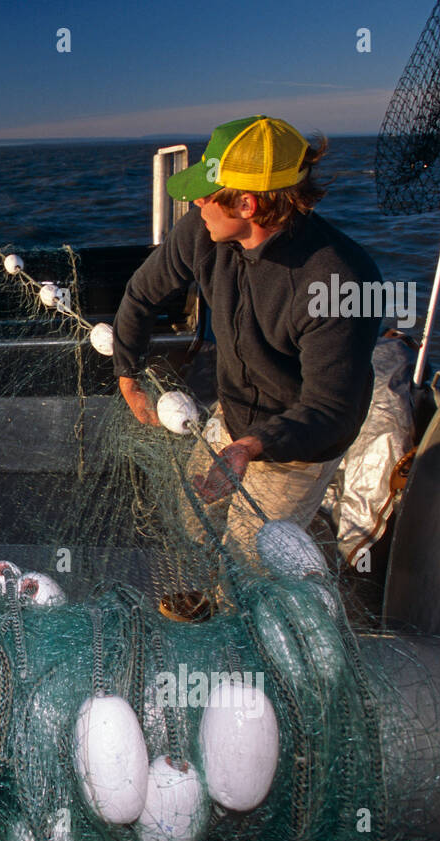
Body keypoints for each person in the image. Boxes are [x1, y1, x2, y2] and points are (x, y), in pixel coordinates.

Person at [113, 115, 383, 563]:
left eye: (207, 194)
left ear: (246, 206)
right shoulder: (202, 231)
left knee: (248, 562)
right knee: (192, 523)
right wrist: (128, 377)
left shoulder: (341, 281)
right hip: (233, 417)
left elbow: (329, 410)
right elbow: (141, 295)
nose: (197, 200)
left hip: (299, 446)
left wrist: (249, 447)